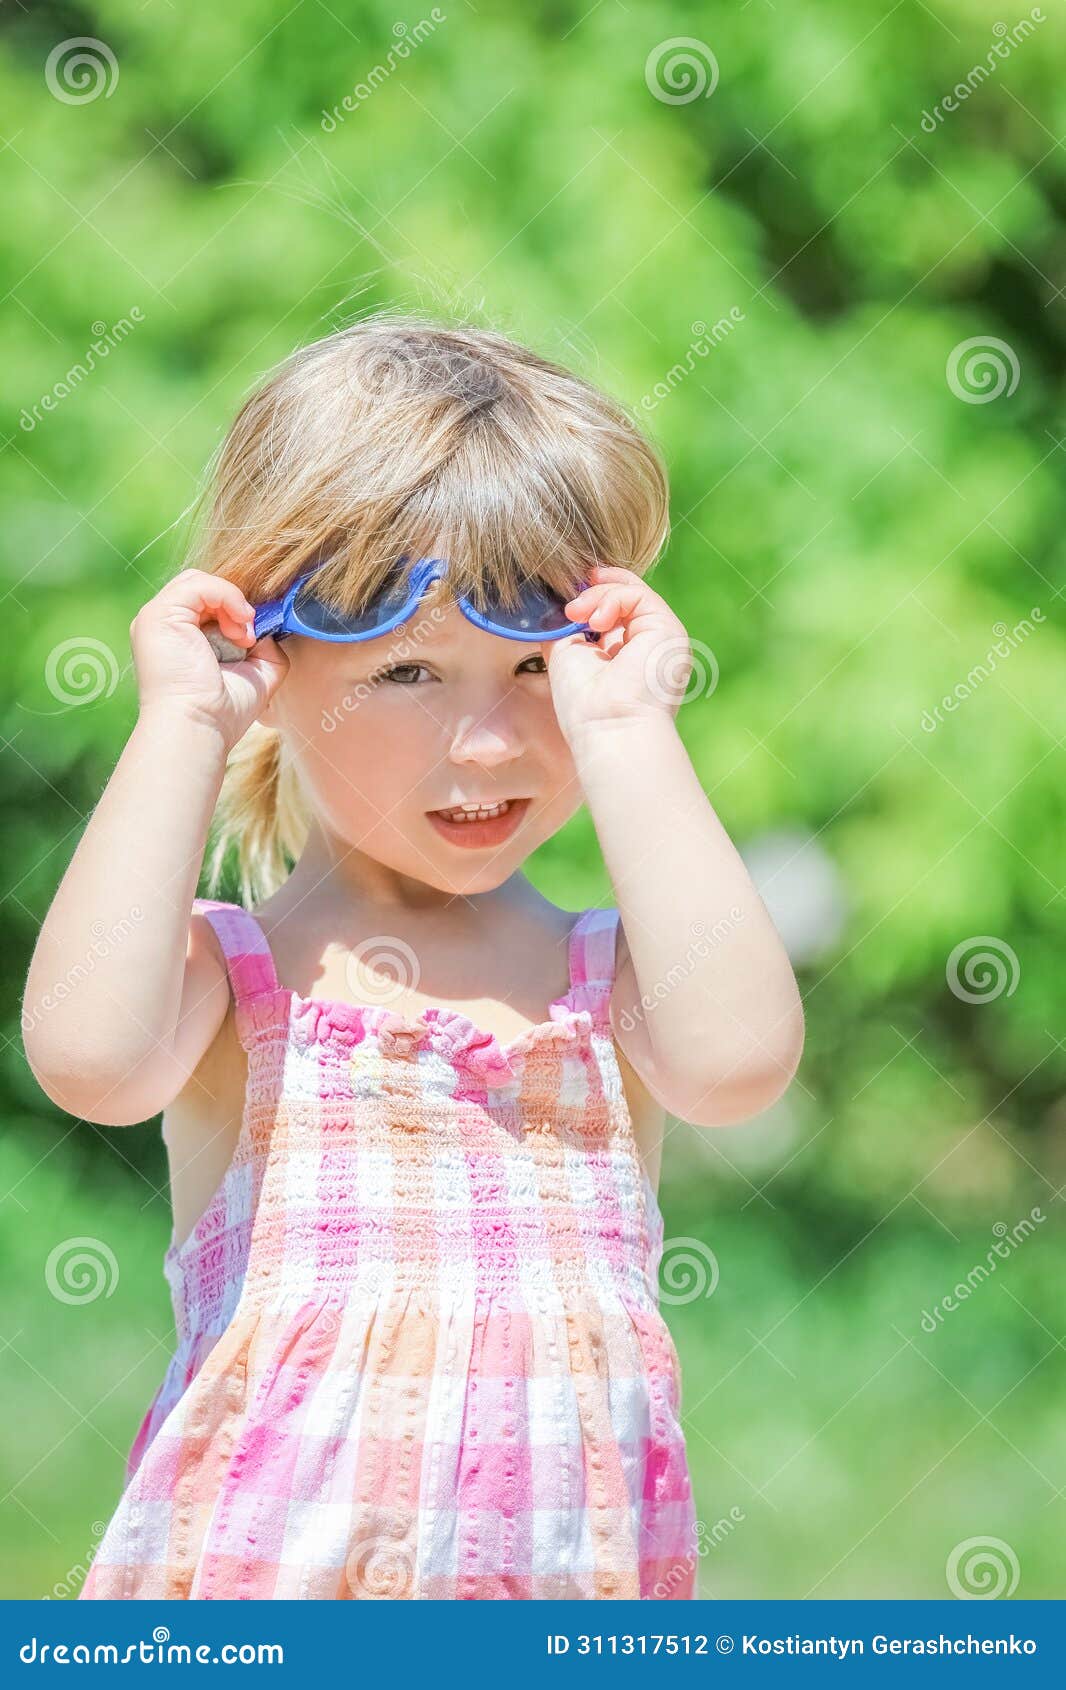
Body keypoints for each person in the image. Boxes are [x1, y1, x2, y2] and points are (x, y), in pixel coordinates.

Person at [23, 312, 805, 1599]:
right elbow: (90, 1059)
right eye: (405, 674)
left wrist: (626, 734)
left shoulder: (612, 985)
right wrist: (183, 724)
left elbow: (736, 1066)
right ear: (268, 656)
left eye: (535, 670)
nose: (487, 742)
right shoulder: (233, 982)